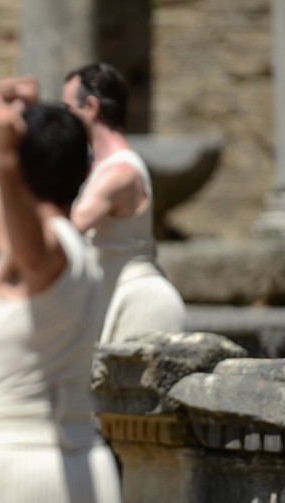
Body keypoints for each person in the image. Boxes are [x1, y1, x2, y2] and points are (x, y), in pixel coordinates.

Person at [0, 78, 128, 503]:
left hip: (22, 469)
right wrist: (12, 131)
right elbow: (12, 230)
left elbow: (30, 253)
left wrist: (5, 163)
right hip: (53, 463)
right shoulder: (65, 246)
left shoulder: (53, 253)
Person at [62, 63, 185, 344]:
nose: (64, 119)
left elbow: (68, 230)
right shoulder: (100, 169)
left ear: (91, 107)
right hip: (112, 296)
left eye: (68, 110)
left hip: (140, 301)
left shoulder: (121, 172)